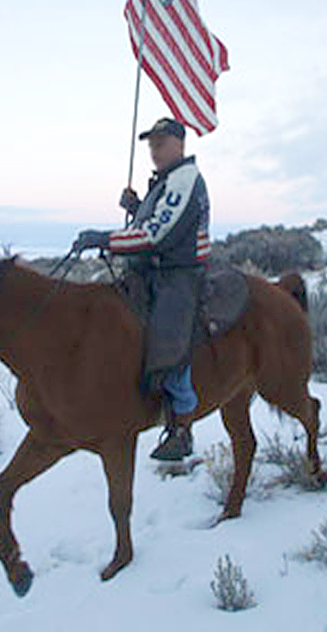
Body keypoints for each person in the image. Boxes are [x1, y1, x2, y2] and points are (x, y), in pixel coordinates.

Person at [72, 117, 210, 460]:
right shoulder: (164, 182)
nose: (154, 150)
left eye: (161, 143)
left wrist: (103, 238)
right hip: (152, 271)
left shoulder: (185, 178)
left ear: (180, 144)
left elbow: (156, 235)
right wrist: (136, 208)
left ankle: (181, 425)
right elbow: (151, 222)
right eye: (151, 144)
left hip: (179, 272)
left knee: (169, 333)